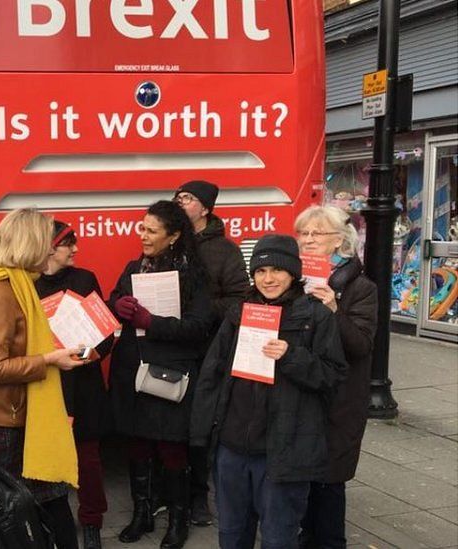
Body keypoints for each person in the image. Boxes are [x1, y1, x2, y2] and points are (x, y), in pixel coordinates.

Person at [0, 207, 89, 549]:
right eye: (46, 243)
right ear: (30, 245)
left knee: (44, 506)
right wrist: (49, 360)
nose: (51, 250)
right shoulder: (0, 292)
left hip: (11, 420)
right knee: (15, 513)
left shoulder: (16, 284)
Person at [191, 234, 348, 549]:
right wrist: (201, 434)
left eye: (277, 270)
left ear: (293, 273)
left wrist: (291, 356)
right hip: (232, 448)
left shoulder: (314, 316)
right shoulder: (240, 312)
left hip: (282, 451)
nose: (268, 279)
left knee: (278, 538)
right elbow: (212, 372)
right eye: (261, 271)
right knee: (232, 535)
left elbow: (334, 375)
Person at [108, 200, 213, 549]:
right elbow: (114, 300)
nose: (143, 236)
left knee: (171, 448)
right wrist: (118, 306)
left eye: (152, 230)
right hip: (133, 370)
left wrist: (152, 323)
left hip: (170, 372)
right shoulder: (133, 266)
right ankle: (142, 513)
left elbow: (200, 327)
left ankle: (178, 520)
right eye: (142, 228)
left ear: (175, 235)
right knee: (137, 443)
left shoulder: (194, 274)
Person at [295, 206, 376, 549]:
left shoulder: (361, 287)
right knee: (302, 478)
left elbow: (360, 345)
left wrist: (334, 311)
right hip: (301, 393)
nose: (308, 240)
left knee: (329, 481)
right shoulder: (293, 279)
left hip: (339, 401)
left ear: (340, 240)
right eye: (303, 233)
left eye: (317, 233)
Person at [173, 180, 250, 527]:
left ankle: (198, 495)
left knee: (202, 421)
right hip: (174, 344)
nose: (180, 202)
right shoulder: (172, 243)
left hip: (208, 347)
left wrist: (200, 308)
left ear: (205, 208)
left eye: (187, 198)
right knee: (173, 419)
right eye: (177, 197)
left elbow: (239, 298)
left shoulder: (226, 251)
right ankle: (170, 492)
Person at [34, 221, 114, 549]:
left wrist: (81, 353)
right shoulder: (29, 284)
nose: (76, 250)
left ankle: (92, 521)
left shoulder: (84, 279)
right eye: (70, 244)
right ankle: (52, 522)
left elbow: (106, 333)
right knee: (45, 460)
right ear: (50, 247)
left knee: (88, 459)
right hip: (45, 384)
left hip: (82, 384)